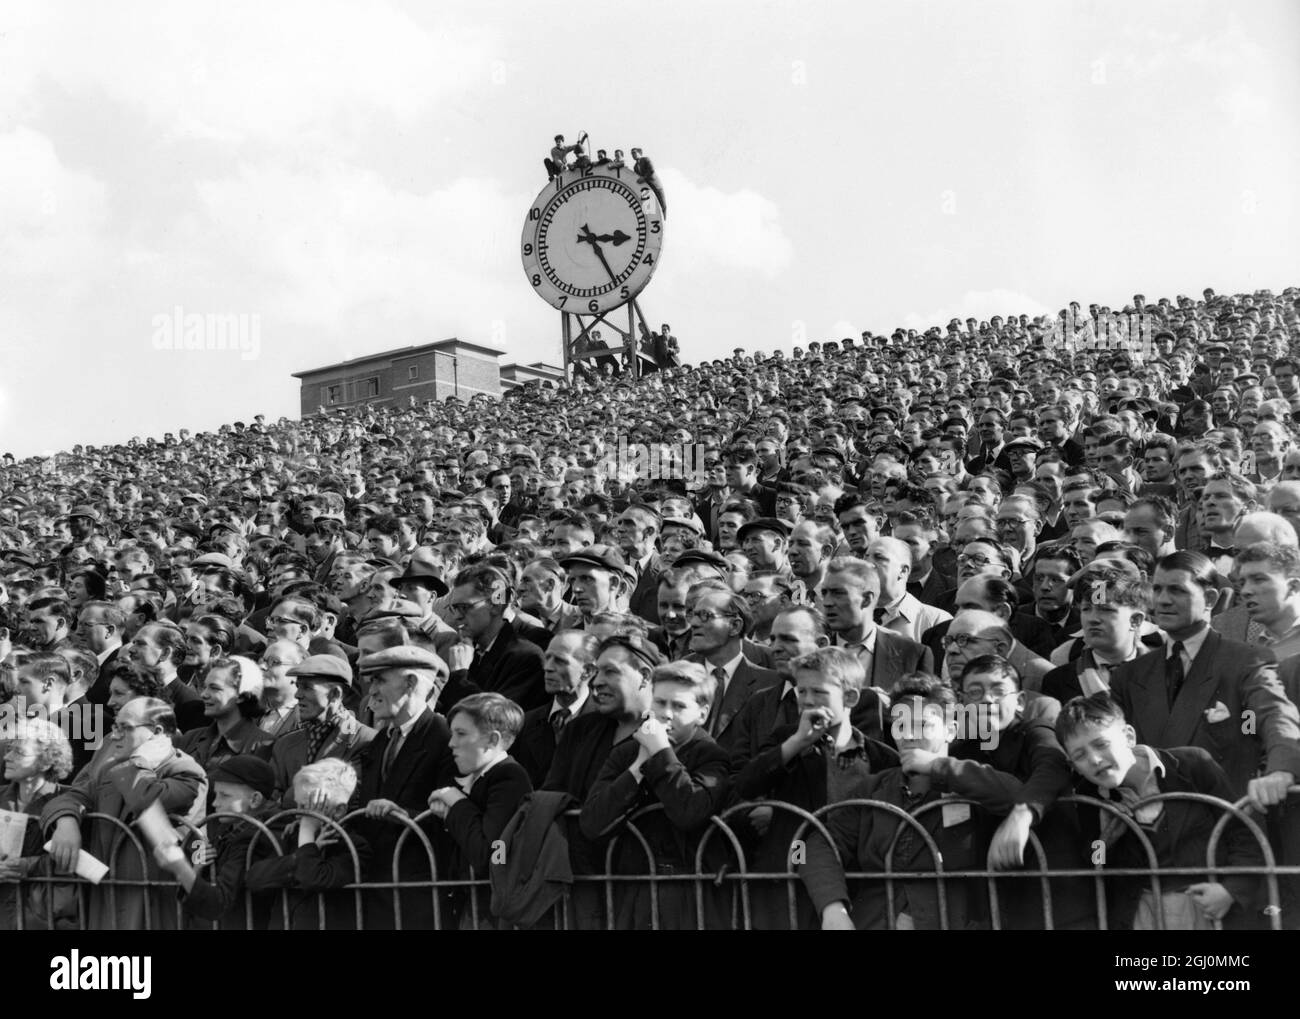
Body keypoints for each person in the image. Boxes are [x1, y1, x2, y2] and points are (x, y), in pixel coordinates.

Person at [1057, 693, 1264, 929]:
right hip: (1142, 916)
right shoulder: (1091, 797)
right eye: (1079, 755)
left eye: (1101, 744)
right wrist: (1105, 839)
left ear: (1128, 736)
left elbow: (1244, 833)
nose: (1094, 759)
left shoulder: (1193, 765)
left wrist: (1231, 890)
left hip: (1210, 912)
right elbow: (1096, 865)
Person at [798, 674, 990, 929]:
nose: (908, 735)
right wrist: (833, 907)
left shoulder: (973, 781)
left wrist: (942, 769)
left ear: (951, 730)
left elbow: (1014, 795)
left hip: (952, 918)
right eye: (900, 725)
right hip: (874, 919)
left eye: (922, 725)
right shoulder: (872, 788)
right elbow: (806, 848)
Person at [579, 661, 731, 928]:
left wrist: (661, 753)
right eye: (660, 703)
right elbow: (591, 822)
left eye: (679, 706)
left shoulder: (712, 755)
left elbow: (689, 811)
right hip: (634, 892)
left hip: (692, 895)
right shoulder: (626, 752)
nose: (666, 714)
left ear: (702, 714)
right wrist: (638, 768)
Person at [42, 697, 207, 930]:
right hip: (108, 898)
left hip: (155, 903)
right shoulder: (113, 767)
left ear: (156, 731)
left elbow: (144, 798)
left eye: (125, 728)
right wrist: (66, 821)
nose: (115, 735)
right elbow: (72, 797)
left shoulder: (186, 771)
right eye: (115, 727)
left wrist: (140, 760)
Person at [426, 692, 532, 928]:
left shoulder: (509, 778)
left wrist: (457, 803)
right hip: (471, 908)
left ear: (492, 740)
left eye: (461, 734)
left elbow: (493, 854)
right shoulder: (480, 778)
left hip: (494, 914)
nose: (451, 743)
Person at [244, 758, 373, 930]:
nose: (298, 814)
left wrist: (307, 831)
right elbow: (254, 879)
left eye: (307, 806)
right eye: (297, 805)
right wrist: (304, 851)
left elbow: (312, 879)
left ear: (339, 810)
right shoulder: (292, 836)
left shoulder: (354, 847)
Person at [153, 754, 278, 929]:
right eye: (216, 794)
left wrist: (180, 867)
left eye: (225, 795)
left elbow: (220, 903)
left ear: (255, 799)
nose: (215, 803)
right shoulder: (228, 829)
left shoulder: (255, 838)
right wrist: (196, 868)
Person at [270, 654, 375, 807]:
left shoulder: (365, 740)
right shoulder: (285, 744)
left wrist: (289, 798)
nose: (298, 695)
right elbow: (269, 801)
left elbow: (345, 800)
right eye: (298, 686)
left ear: (335, 694)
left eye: (307, 687)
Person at [0, 717, 75, 930]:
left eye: (18, 752)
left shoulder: (68, 802)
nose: (7, 757)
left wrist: (27, 866)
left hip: (46, 918)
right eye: (9, 749)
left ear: (47, 760)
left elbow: (79, 860)